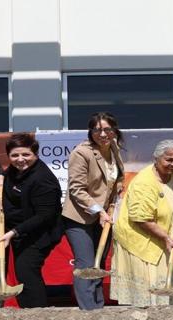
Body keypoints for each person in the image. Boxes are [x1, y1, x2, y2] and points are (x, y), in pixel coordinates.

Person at [112, 140, 173, 307]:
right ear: (156, 158)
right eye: (169, 160)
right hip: (142, 242)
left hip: (164, 239)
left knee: (164, 299)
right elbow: (142, 219)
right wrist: (166, 237)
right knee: (147, 299)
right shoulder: (144, 183)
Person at [62, 112, 125, 310]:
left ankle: (98, 307)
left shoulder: (113, 147)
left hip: (104, 215)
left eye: (107, 129)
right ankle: (88, 312)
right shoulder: (82, 153)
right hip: (80, 217)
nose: (102, 134)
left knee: (99, 263)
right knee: (86, 264)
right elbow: (77, 189)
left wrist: (118, 187)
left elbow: (116, 176)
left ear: (114, 131)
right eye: (97, 130)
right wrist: (99, 211)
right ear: (90, 132)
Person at [0, 133, 62, 308]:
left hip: (40, 234)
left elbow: (44, 215)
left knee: (27, 270)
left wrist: (13, 232)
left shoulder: (43, 179)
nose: (20, 159)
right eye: (14, 155)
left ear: (36, 154)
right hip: (21, 231)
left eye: (26, 154)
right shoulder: (15, 171)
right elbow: (9, 170)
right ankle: (27, 311)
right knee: (21, 271)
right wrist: (2, 176)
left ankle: (38, 313)